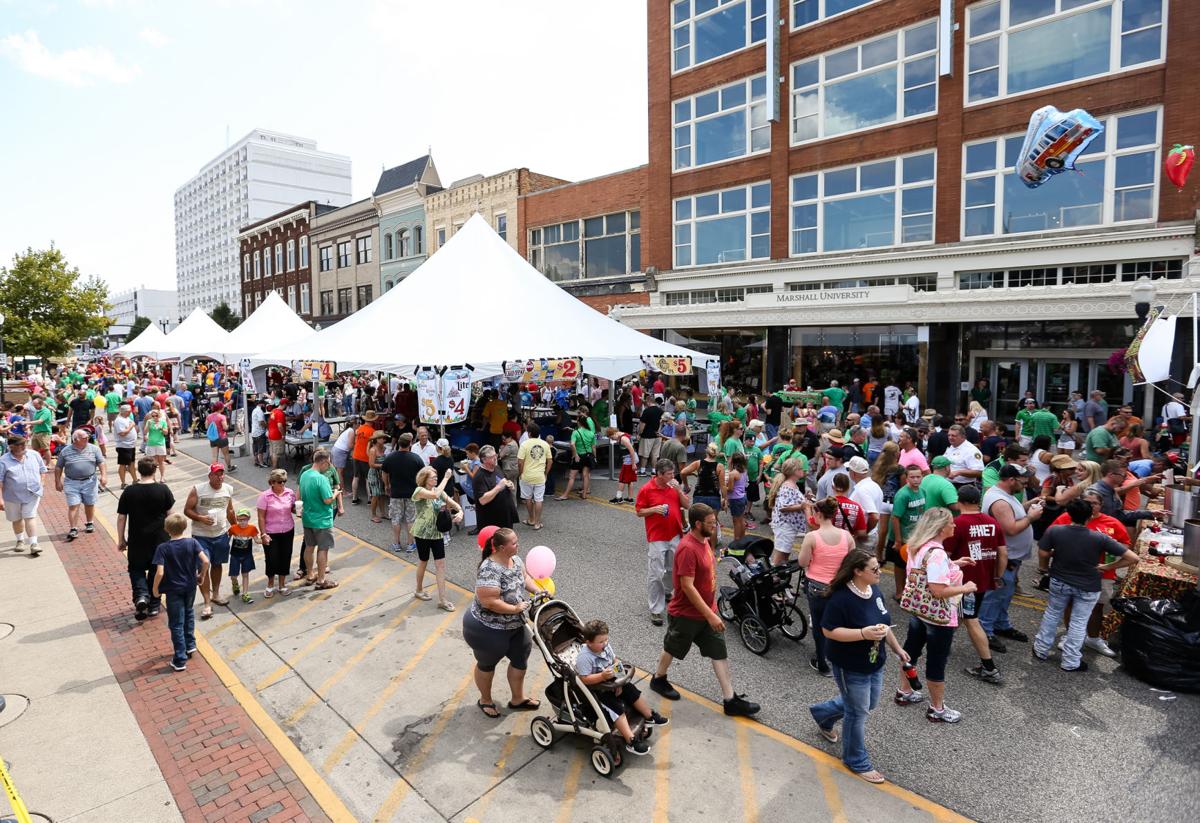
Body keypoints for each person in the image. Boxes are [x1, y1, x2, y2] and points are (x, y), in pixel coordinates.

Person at [648, 503, 760, 717]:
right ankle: (658, 678)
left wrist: (711, 610)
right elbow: (688, 587)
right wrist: (710, 615)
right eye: (711, 523)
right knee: (672, 648)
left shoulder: (705, 540)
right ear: (698, 524)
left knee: (719, 652)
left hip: (707, 611)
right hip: (686, 615)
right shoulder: (688, 548)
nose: (715, 526)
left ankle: (730, 699)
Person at [808, 549, 907, 784]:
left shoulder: (874, 590)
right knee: (857, 711)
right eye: (874, 569)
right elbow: (829, 631)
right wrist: (863, 633)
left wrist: (897, 649)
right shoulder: (841, 598)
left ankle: (823, 713)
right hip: (850, 665)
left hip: (874, 662)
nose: (879, 572)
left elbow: (884, 624)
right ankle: (855, 759)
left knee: (867, 704)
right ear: (857, 571)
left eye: (878, 566)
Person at [1033, 499, 1139, 672]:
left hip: (1059, 580)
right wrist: (1107, 567)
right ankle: (1071, 661)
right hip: (1088, 586)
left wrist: (1045, 565)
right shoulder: (1099, 538)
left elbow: (1043, 551)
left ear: (1069, 514)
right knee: (1079, 623)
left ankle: (1040, 650)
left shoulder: (1055, 531)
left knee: (1052, 615)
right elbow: (1133, 558)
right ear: (1089, 516)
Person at [892, 508, 976, 722]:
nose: (954, 526)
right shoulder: (937, 553)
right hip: (938, 616)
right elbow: (938, 590)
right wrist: (966, 587)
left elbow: (923, 571)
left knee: (911, 651)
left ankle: (904, 692)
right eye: (951, 523)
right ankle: (937, 708)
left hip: (919, 610)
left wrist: (954, 564)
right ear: (940, 528)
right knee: (937, 662)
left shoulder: (917, 546)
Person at [463, 527, 543, 718]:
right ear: (500, 547)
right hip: (488, 629)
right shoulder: (489, 569)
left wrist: (537, 591)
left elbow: (525, 578)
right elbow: (489, 602)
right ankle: (485, 700)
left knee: (520, 658)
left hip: (515, 624)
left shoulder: (515, 560)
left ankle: (517, 699)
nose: (518, 545)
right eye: (514, 543)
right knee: (487, 664)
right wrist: (515, 609)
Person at [575, 619, 669, 756]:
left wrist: (620, 681)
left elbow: (615, 661)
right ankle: (630, 740)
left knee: (631, 690)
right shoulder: (584, 657)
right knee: (616, 709)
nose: (605, 643)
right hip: (598, 691)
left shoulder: (606, 647)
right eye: (601, 642)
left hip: (612, 683)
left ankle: (649, 715)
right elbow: (584, 679)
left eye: (606, 640)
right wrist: (601, 676)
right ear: (588, 642)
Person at [943, 485, 1006, 683]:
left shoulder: (957, 524)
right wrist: (997, 576)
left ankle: (989, 667)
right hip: (983, 579)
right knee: (960, 613)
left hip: (962, 582)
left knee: (971, 618)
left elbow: (945, 556)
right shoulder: (993, 523)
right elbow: (1003, 553)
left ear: (959, 501)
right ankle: (942, 643)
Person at [978, 464, 1043, 652]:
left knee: (1005, 593)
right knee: (995, 594)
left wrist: (1027, 507)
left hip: (1013, 557)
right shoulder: (999, 500)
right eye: (1023, 479)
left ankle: (1000, 624)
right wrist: (1031, 518)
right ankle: (985, 630)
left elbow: (1010, 515)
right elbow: (1011, 528)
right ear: (1011, 480)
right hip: (1004, 558)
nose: (1026, 482)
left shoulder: (1005, 496)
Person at [799, 497, 855, 676]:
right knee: (837, 622)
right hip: (840, 586)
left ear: (819, 514)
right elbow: (852, 561)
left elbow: (802, 562)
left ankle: (822, 661)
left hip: (817, 586)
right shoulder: (846, 536)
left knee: (818, 624)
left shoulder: (812, 537)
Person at [116, 457, 175, 620]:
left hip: (137, 539)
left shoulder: (129, 491)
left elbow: (122, 518)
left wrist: (121, 539)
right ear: (154, 470)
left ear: (139, 471)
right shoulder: (163, 490)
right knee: (158, 571)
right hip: (160, 539)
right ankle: (154, 604)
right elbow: (171, 516)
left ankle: (141, 596)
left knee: (136, 569)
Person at [152, 513, 210, 672]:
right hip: (190, 586)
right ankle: (190, 644)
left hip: (173, 589)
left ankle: (180, 658)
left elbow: (160, 573)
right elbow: (205, 561)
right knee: (189, 613)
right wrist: (201, 575)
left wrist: (155, 589)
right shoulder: (192, 542)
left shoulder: (163, 548)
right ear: (185, 527)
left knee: (176, 623)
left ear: (166, 529)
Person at [635, 458, 689, 626]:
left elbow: (686, 505)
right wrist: (654, 510)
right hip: (657, 537)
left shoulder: (674, 487)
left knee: (674, 569)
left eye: (673, 473)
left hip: (675, 534)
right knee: (656, 573)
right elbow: (639, 511)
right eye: (669, 474)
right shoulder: (646, 489)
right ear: (659, 474)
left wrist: (679, 490)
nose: (673, 476)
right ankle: (656, 610)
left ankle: (666, 592)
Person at [184, 463, 236, 619]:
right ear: (209, 476)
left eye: (222, 474)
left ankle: (216, 594)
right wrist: (200, 518)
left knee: (217, 565)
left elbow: (230, 510)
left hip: (220, 535)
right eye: (216, 474)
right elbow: (187, 510)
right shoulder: (198, 490)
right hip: (201, 536)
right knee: (203, 567)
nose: (220, 477)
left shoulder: (228, 489)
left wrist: (234, 527)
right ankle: (207, 603)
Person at [411, 465, 464, 610]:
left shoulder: (438, 491)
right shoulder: (419, 491)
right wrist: (447, 477)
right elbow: (435, 495)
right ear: (425, 479)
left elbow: (454, 504)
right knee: (423, 561)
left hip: (437, 533)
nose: (436, 478)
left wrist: (460, 512)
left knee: (440, 565)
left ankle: (442, 600)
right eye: (433, 477)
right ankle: (419, 590)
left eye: (436, 477)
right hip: (422, 533)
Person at [298, 448, 340, 590]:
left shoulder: (304, 474)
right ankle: (321, 580)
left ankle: (310, 574)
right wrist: (335, 493)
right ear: (323, 462)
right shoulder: (321, 479)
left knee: (309, 547)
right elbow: (328, 500)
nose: (328, 467)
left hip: (308, 518)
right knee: (323, 549)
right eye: (328, 464)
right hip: (322, 520)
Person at [55, 428, 106, 541]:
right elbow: (58, 466)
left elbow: (101, 462)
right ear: (75, 439)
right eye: (84, 438)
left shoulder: (94, 449)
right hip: (71, 482)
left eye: (88, 437)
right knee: (73, 505)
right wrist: (57, 481)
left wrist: (104, 476)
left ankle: (89, 522)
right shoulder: (66, 451)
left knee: (89, 503)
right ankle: (73, 528)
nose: (87, 439)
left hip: (90, 481)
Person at [0, 436, 47, 556]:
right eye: (19, 445)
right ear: (11, 447)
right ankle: (20, 540)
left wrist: (41, 483)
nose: (22, 447)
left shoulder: (34, 455)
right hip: (12, 496)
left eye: (24, 444)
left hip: (32, 493)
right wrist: (0, 499)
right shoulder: (3, 460)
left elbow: (42, 470)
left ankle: (34, 544)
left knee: (29, 516)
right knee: (16, 519)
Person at [257, 469, 297, 599]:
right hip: (271, 532)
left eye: (284, 482)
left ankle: (282, 584)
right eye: (280, 482)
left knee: (286, 556)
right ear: (272, 482)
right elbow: (261, 517)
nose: (282, 484)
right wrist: (263, 534)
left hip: (287, 529)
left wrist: (298, 509)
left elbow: (292, 508)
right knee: (271, 558)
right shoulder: (265, 496)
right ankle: (270, 585)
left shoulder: (289, 493)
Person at [381, 432, 424, 552]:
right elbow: (423, 475)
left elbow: (384, 472)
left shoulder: (390, 457)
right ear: (410, 444)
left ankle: (396, 543)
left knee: (396, 519)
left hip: (396, 493)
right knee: (411, 519)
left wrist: (386, 485)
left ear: (399, 443)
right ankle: (410, 544)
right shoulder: (416, 458)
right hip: (412, 494)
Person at [768, 458, 810, 566]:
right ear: (794, 471)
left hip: (788, 527)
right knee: (781, 553)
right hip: (785, 527)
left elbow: (791, 500)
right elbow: (783, 506)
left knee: (785, 553)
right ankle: (774, 576)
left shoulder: (792, 484)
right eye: (801, 469)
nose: (803, 470)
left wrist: (804, 498)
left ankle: (779, 574)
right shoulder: (788, 486)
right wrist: (802, 506)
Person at [473, 444, 519, 531]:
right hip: (492, 521)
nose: (495, 458)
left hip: (505, 517)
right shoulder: (479, 476)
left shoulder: (496, 468)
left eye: (496, 455)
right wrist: (498, 487)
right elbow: (482, 500)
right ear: (484, 459)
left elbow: (502, 480)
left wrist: (509, 484)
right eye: (492, 457)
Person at [517, 423, 552, 530]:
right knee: (538, 499)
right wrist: (545, 473)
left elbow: (520, 462)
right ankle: (537, 523)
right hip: (540, 476)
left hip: (526, 476)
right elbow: (550, 461)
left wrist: (521, 473)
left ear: (529, 433)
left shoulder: (524, 444)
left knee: (528, 498)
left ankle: (531, 519)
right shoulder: (545, 444)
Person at [558, 413, 596, 500]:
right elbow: (593, 447)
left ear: (579, 423)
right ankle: (584, 494)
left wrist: (575, 455)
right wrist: (595, 457)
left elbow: (572, 444)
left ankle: (565, 495)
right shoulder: (591, 433)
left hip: (579, 456)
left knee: (572, 476)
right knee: (585, 475)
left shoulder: (576, 432)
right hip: (588, 455)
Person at [847, 456, 882, 552]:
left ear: (853, 473)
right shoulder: (874, 485)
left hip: (864, 539)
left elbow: (874, 516)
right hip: (872, 535)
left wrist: (864, 532)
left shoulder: (862, 490)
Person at [227, 508, 260, 605]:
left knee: (245, 574)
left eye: (244, 519)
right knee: (233, 575)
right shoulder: (233, 528)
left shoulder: (252, 528)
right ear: (237, 519)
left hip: (247, 555)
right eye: (240, 520)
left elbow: (257, 540)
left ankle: (245, 594)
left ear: (248, 519)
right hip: (235, 555)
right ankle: (235, 583)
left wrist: (266, 540)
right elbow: (227, 538)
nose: (242, 522)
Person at [349, 410, 377, 503]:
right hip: (366, 457)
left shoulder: (359, 429)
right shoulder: (372, 432)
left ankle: (354, 498)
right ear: (373, 420)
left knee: (356, 477)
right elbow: (374, 446)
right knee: (367, 478)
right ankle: (369, 499)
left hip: (356, 455)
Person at [607, 426, 639, 504]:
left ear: (614, 433)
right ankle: (630, 498)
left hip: (629, 460)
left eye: (612, 437)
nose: (612, 439)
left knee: (622, 479)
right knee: (630, 480)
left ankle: (619, 497)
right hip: (631, 459)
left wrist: (633, 463)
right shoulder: (625, 435)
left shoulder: (623, 439)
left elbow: (631, 450)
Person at [112, 404, 138, 488]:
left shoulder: (127, 418)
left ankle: (135, 480)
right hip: (124, 446)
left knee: (132, 464)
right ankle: (123, 483)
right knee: (123, 464)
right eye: (129, 411)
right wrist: (131, 426)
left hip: (131, 445)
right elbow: (122, 433)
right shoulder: (119, 420)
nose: (130, 412)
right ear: (125, 411)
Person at [205, 401, 235, 472]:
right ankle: (229, 467)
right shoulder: (222, 417)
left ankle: (214, 470)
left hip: (213, 438)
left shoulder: (209, 416)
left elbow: (206, 426)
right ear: (221, 408)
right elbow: (225, 428)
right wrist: (228, 426)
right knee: (226, 454)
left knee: (214, 456)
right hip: (222, 437)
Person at [143, 407, 169, 481]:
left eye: (156, 415)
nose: (154, 417)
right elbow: (145, 432)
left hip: (160, 443)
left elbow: (166, 432)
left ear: (159, 415)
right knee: (153, 462)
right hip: (151, 443)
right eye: (153, 416)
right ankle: (153, 478)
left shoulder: (163, 422)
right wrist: (148, 425)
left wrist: (161, 428)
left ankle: (162, 477)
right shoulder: (149, 421)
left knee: (161, 461)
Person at [250, 398, 268, 468]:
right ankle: (261, 463)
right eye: (264, 404)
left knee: (255, 448)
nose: (265, 405)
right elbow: (261, 422)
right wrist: (267, 426)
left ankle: (256, 461)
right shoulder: (259, 411)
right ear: (261, 404)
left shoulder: (254, 410)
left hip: (254, 432)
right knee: (261, 448)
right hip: (260, 432)